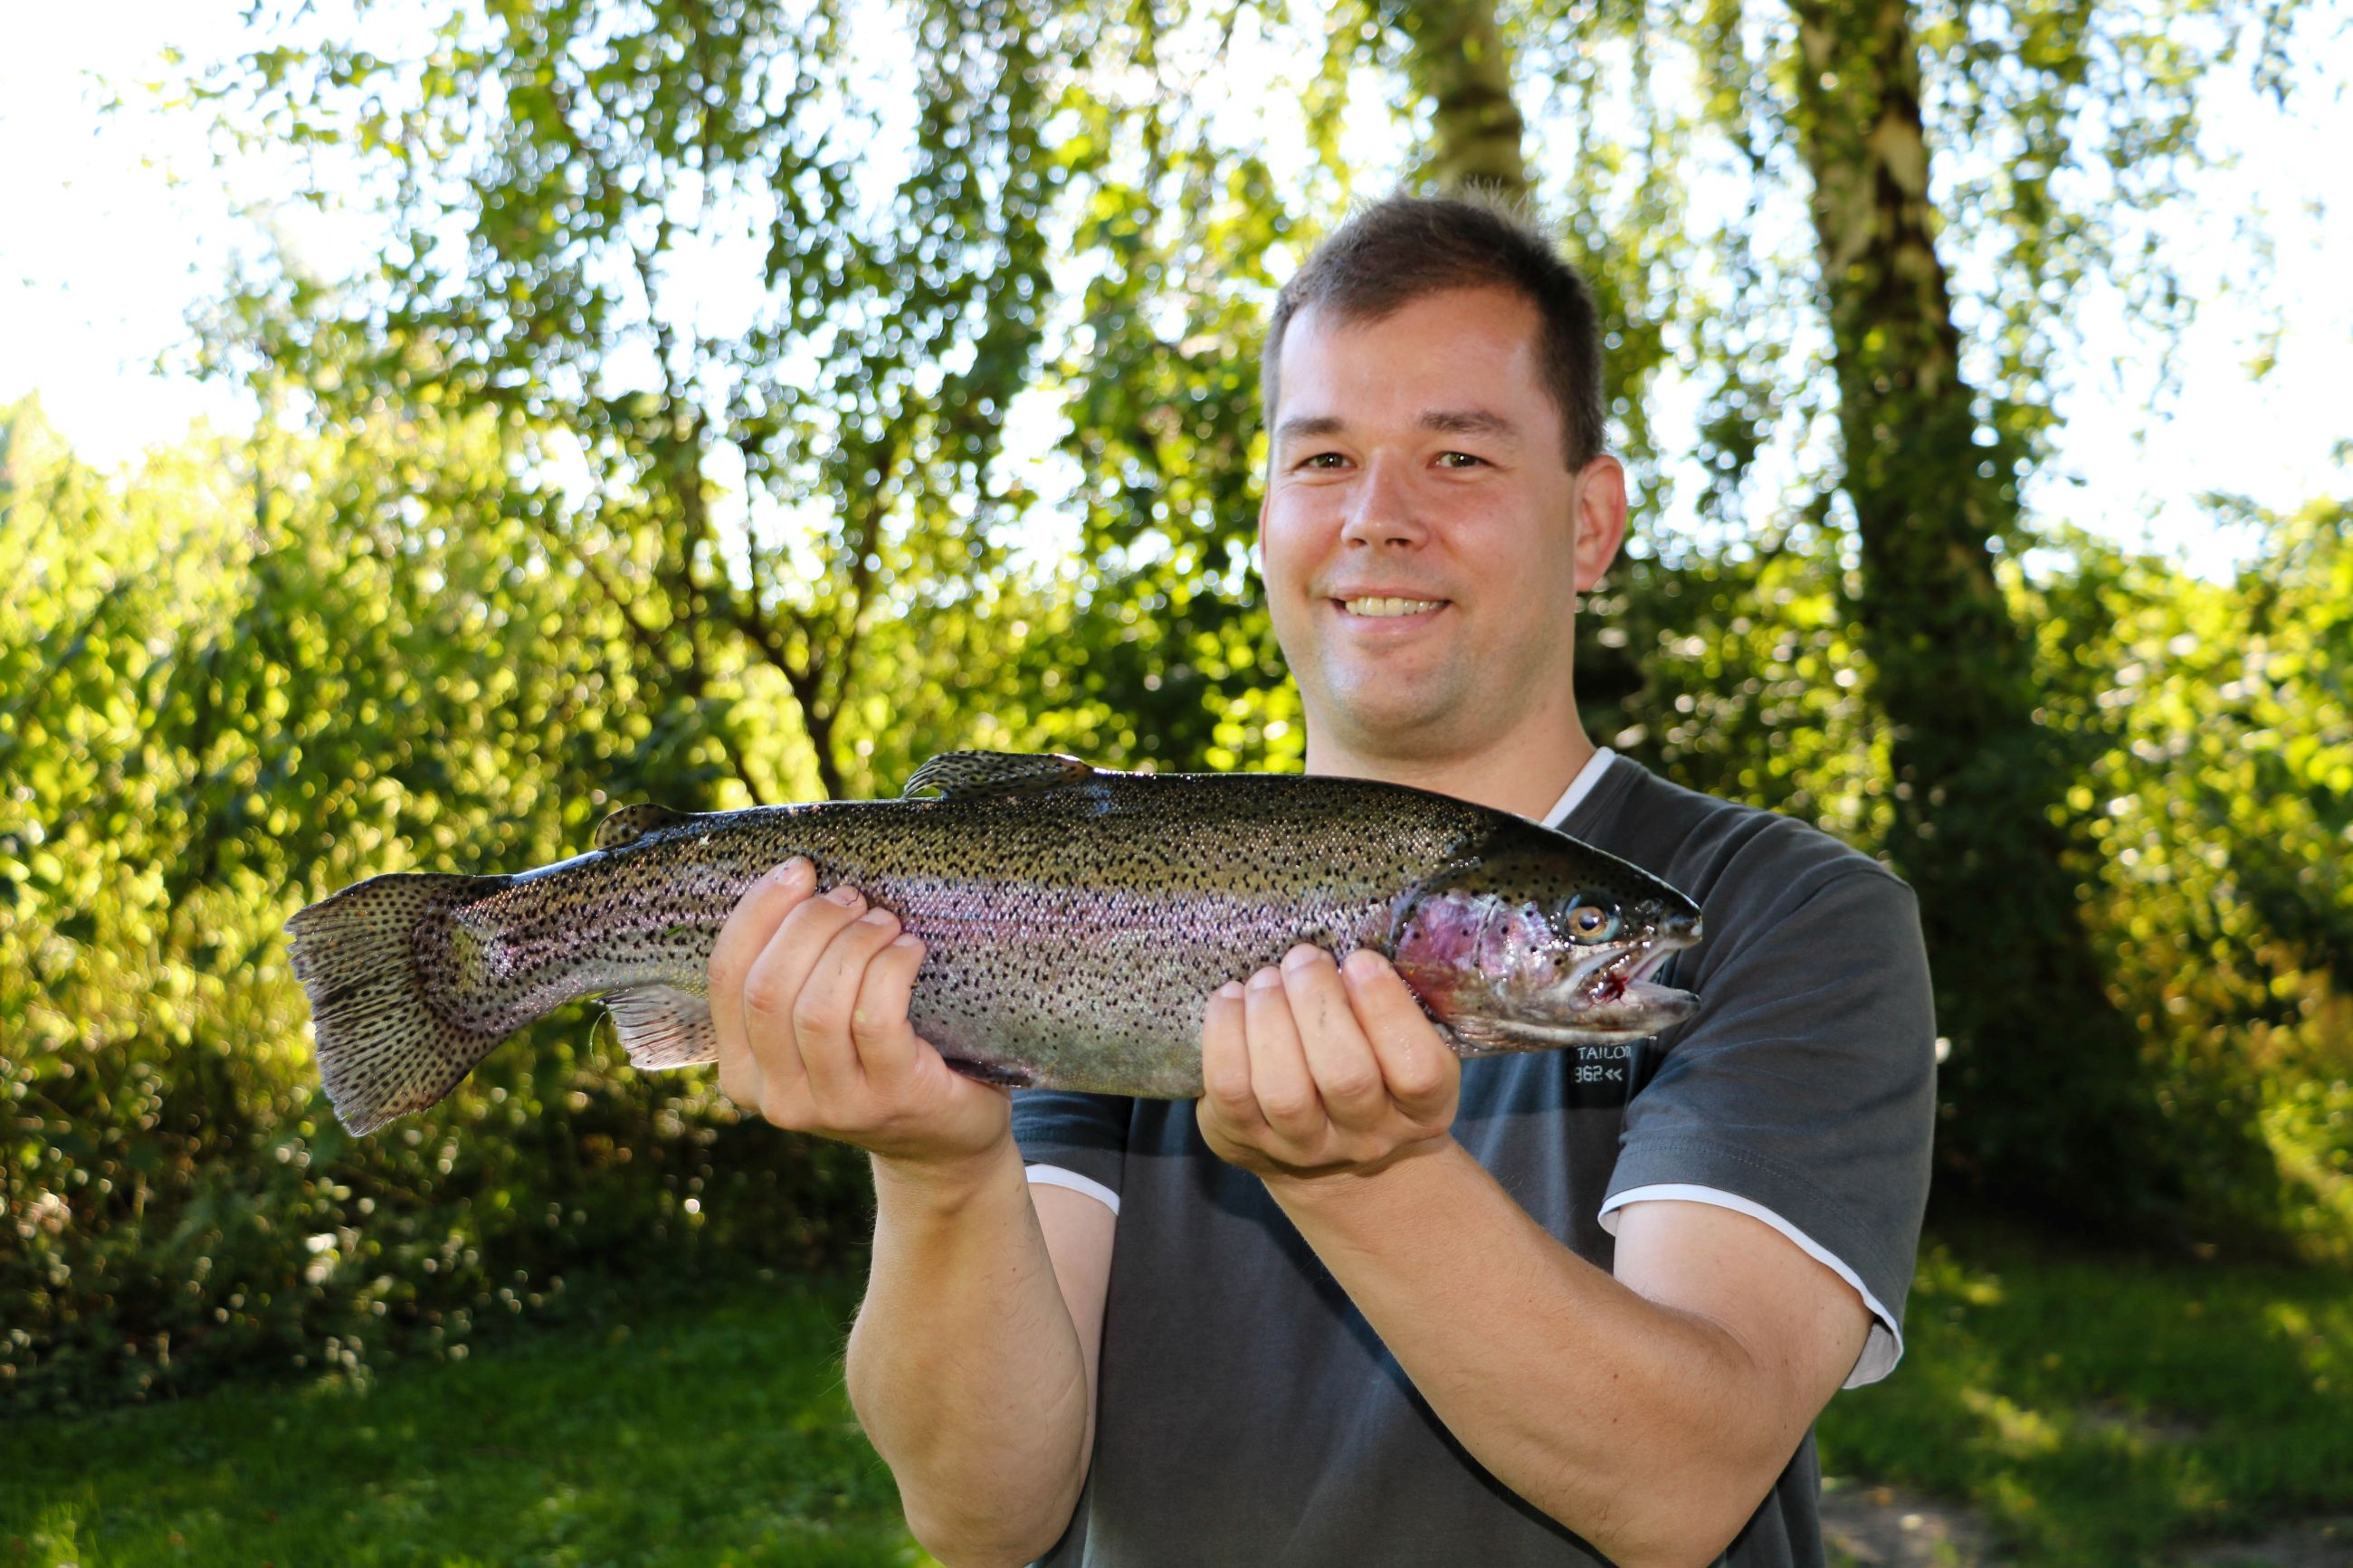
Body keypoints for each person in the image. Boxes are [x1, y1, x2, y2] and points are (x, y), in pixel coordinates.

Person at [707, 193, 1937, 1568]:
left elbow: (1681, 1483)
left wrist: (1366, 1174)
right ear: (1266, 515)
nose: (1375, 518)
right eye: (1324, 458)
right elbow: (982, 1520)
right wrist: (936, 1165)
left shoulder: (1780, 915)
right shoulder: (1112, 880)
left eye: (1458, 456)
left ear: (1591, 525)